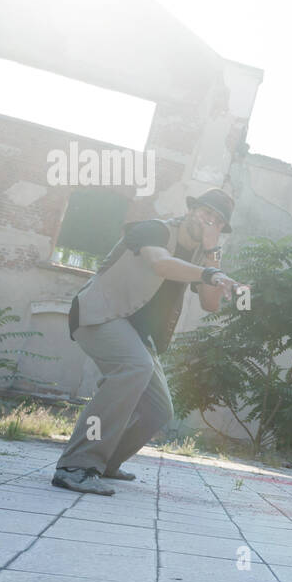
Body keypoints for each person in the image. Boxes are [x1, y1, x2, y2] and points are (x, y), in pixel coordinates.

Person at [52, 188, 242, 494]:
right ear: (191, 209)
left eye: (218, 221)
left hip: (138, 335)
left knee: (158, 410)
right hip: (101, 314)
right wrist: (210, 273)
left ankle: (106, 463)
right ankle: (77, 465)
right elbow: (161, 264)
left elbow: (210, 304)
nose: (210, 223)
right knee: (134, 367)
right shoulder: (155, 229)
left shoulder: (201, 256)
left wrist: (211, 254)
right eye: (207, 213)